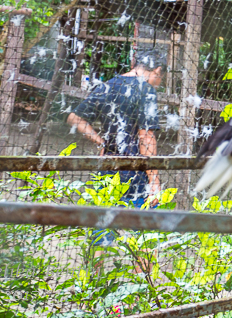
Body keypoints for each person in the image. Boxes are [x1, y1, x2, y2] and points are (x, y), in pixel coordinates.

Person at [67, 49, 166, 222]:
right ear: (157, 71)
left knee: (103, 227)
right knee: (146, 230)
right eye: (160, 79)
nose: (158, 84)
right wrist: (154, 182)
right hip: (134, 170)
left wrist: (101, 142)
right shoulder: (146, 90)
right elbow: (146, 137)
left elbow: (74, 118)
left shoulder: (108, 85)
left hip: (108, 166)